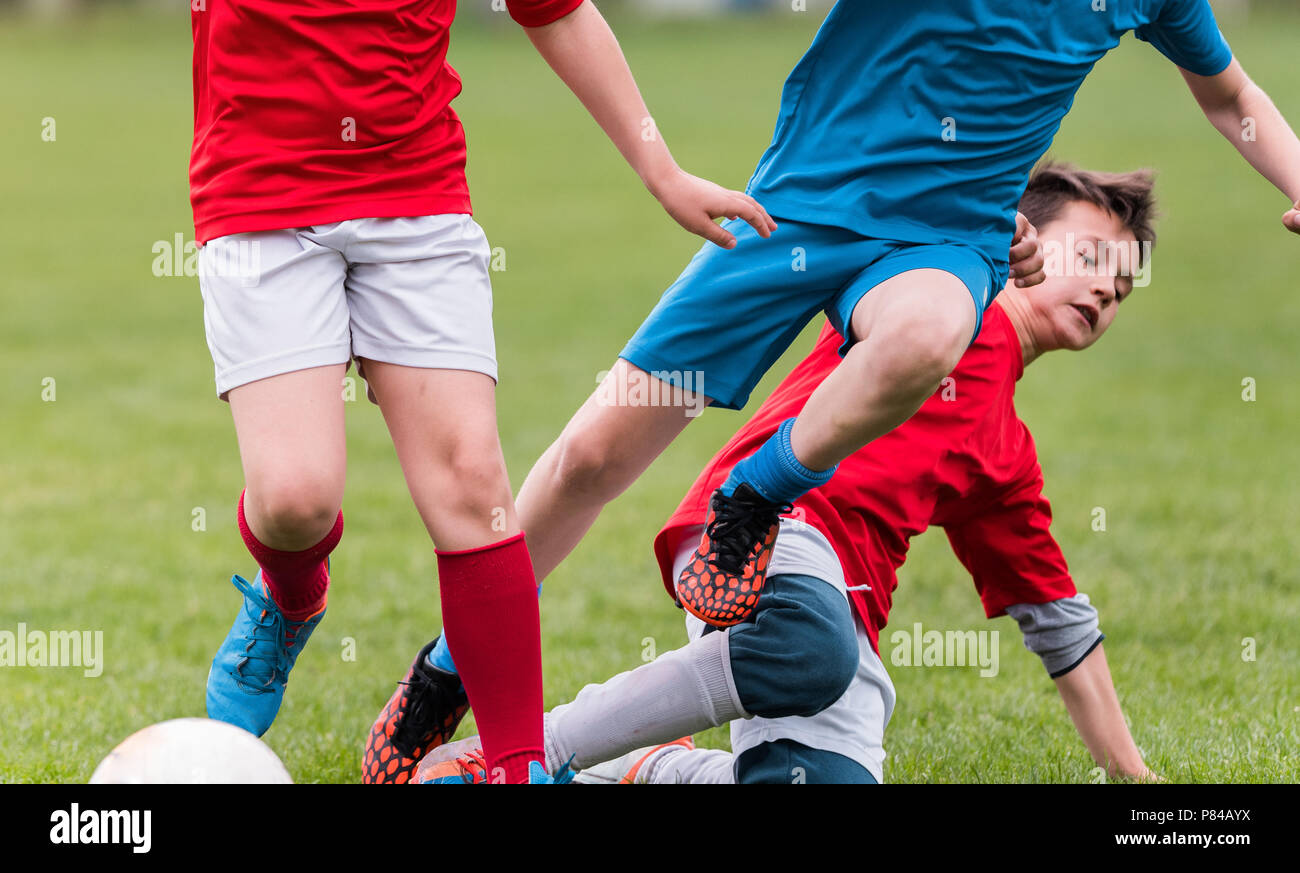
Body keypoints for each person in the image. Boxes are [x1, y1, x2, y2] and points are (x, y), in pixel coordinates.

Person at [505, 0, 1300, 632]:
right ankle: (450, 667)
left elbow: (1232, 98)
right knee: (592, 457)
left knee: (927, 334)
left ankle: (753, 498)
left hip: (947, 241)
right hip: (799, 207)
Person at [414, 162, 1164, 784]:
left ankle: (648, 770)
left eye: (1123, 287)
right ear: (1026, 238)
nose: (1106, 289)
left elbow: (1060, 622)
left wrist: (1133, 776)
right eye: (1091, 258)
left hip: (844, 628)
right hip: (760, 533)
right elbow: (894, 204)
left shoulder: (1007, 456)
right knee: (809, 645)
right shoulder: (929, 305)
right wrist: (971, 219)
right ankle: (520, 754)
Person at [190, 0, 774, 786]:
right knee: (296, 499)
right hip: (260, 197)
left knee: (472, 484)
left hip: (414, 196)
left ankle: (517, 765)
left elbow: (556, 12)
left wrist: (660, 170)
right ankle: (290, 594)